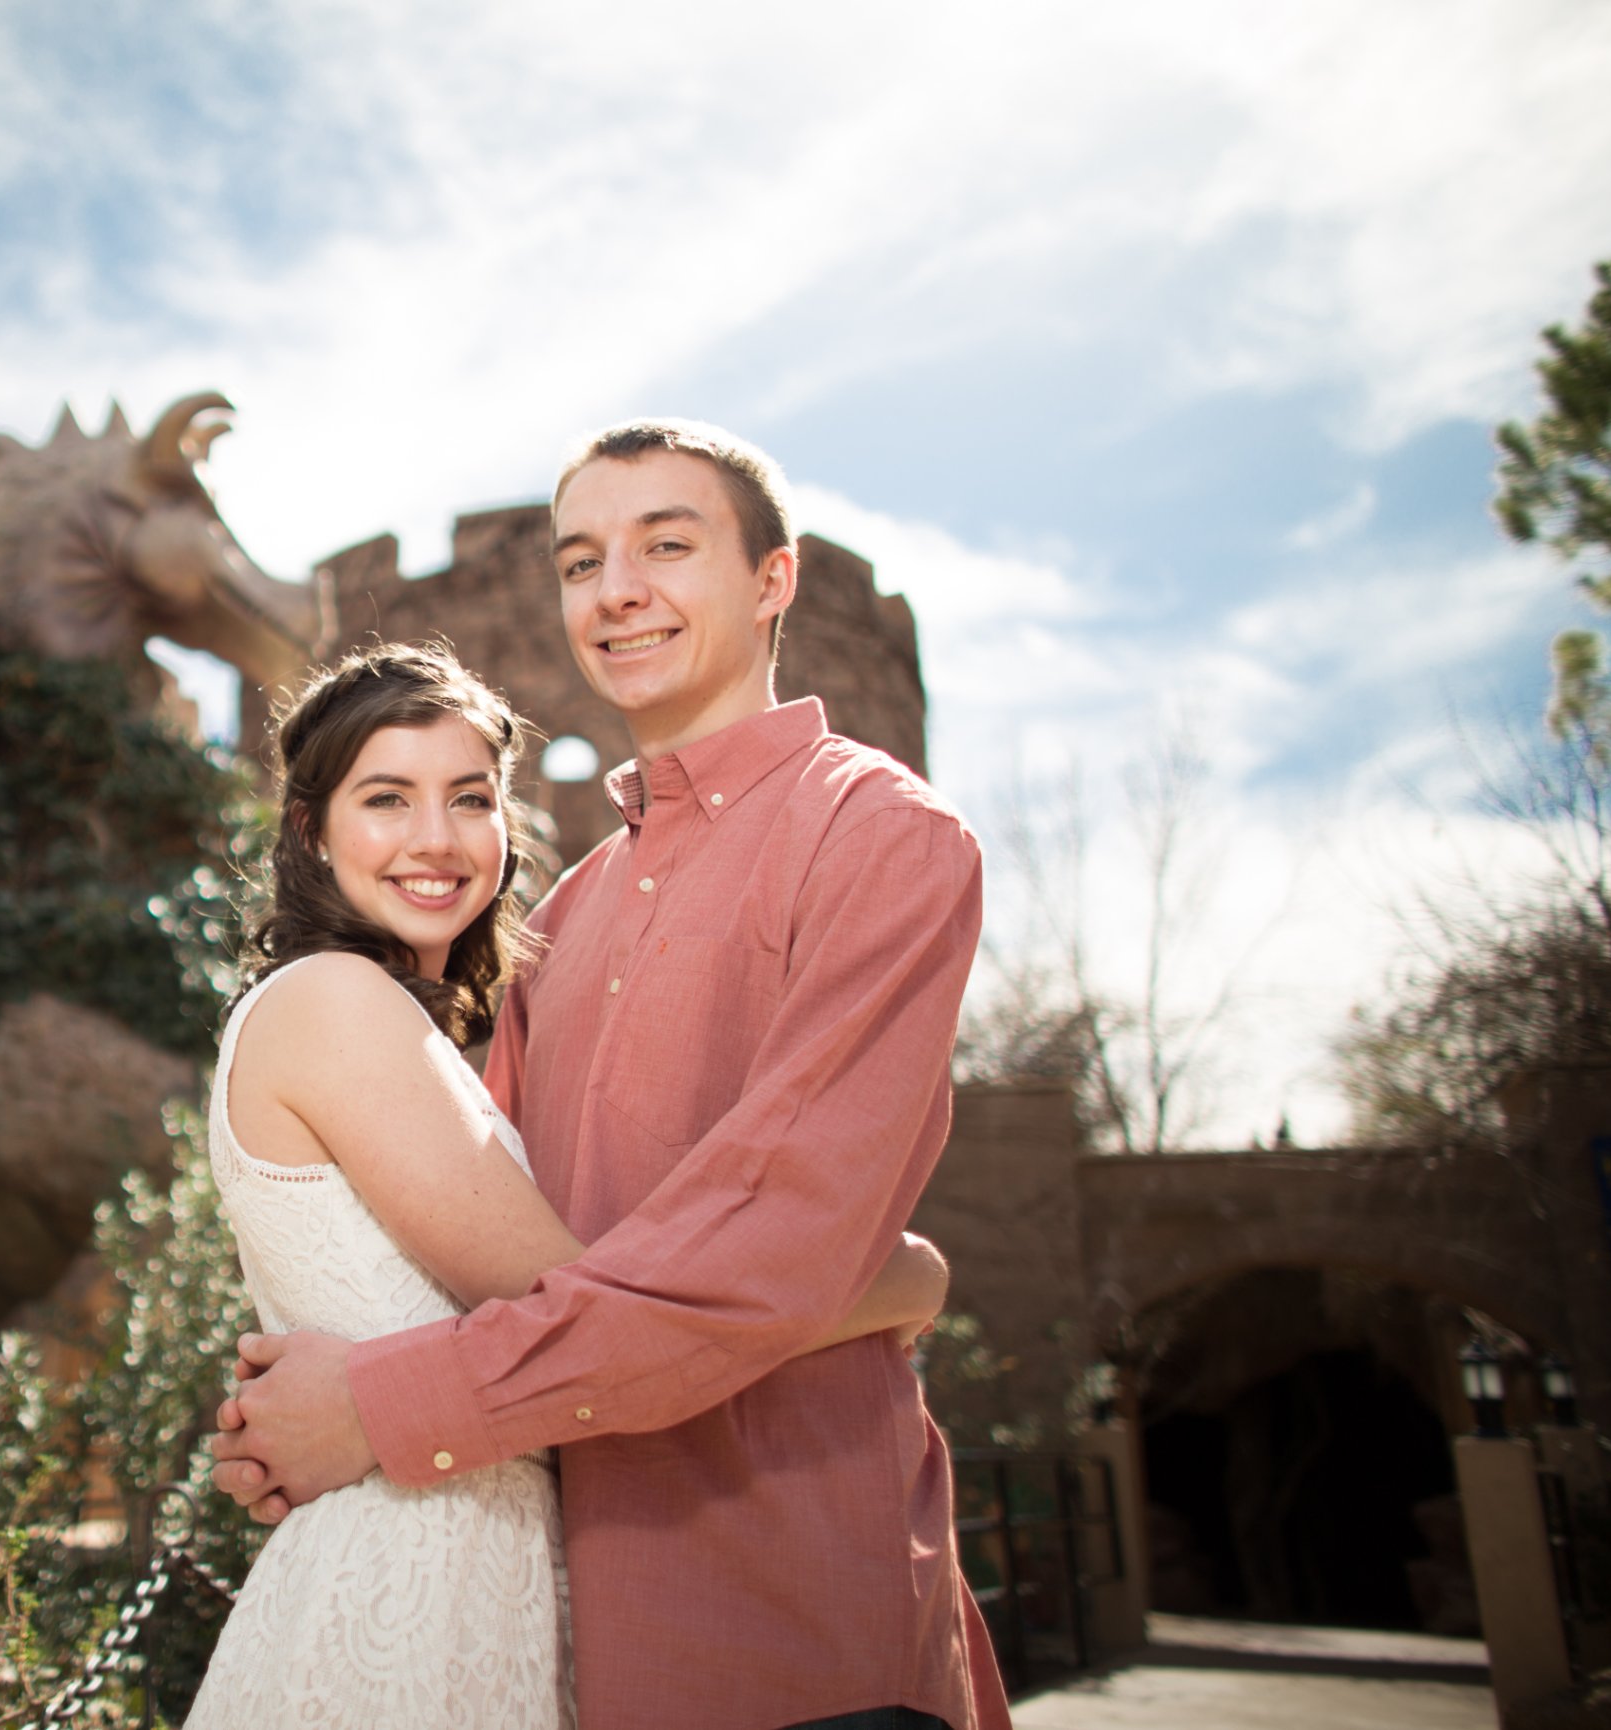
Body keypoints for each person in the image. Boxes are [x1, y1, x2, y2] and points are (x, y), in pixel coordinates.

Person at [211, 423, 1015, 1730]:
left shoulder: (880, 836)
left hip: (798, 1624)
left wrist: (371, 1402)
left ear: (773, 580)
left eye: (667, 544)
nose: (616, 588)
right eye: (583, 559)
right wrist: (887, 1281)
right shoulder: (562, 922)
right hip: (562, 1636)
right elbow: (515, 1257)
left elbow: (755, 1255)